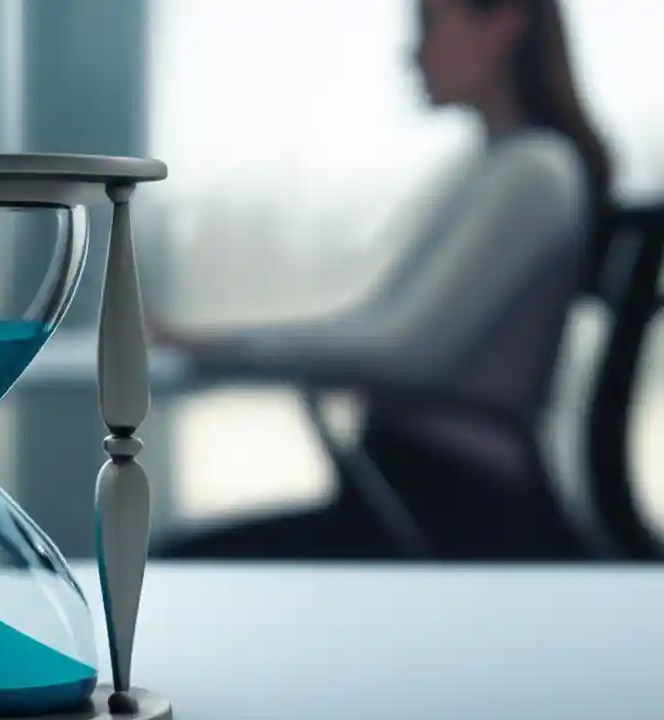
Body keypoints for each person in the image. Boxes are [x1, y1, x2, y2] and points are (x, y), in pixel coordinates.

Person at [159, 0, 612, 559]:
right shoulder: (493, 170)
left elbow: (405, 349)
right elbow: (380, 327)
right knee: (173, 557)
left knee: (174, 562)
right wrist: (221, 346)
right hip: (413, 494)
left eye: (429, 26)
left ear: (504, 25)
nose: (413, 53)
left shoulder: (534, 173)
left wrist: (220, 349)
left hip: (451, 510)